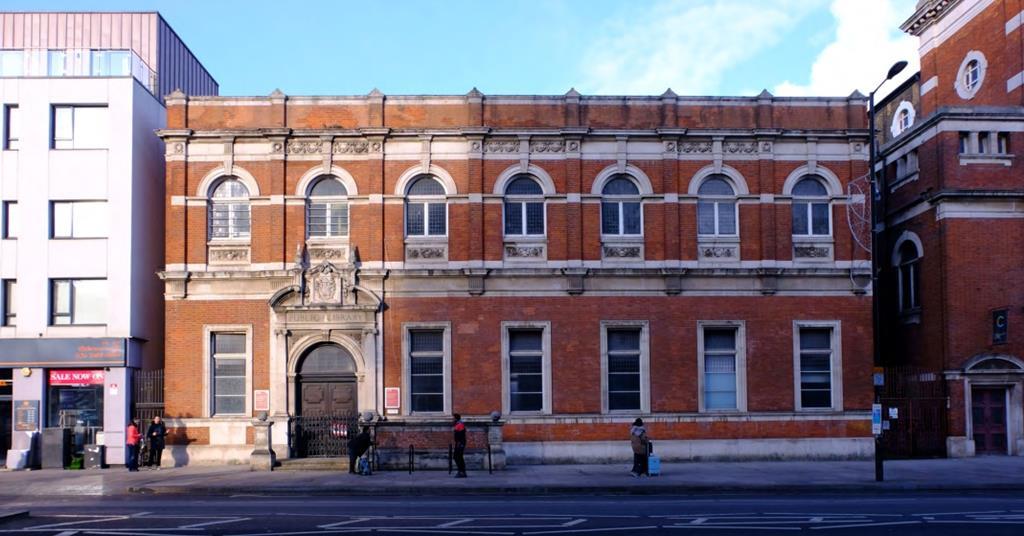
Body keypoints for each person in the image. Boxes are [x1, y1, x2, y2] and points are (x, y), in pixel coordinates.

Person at [452, 413, 467, 478]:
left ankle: (461, 472)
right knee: (457, 457)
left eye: (453, 418)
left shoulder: (460, 424)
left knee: (458, 457)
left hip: (460, 443)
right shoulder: (458, 424)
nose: (452, 419)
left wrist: (459, 443)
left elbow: (461, 435)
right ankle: (461, 471)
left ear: (456, 418)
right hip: (459, 443)